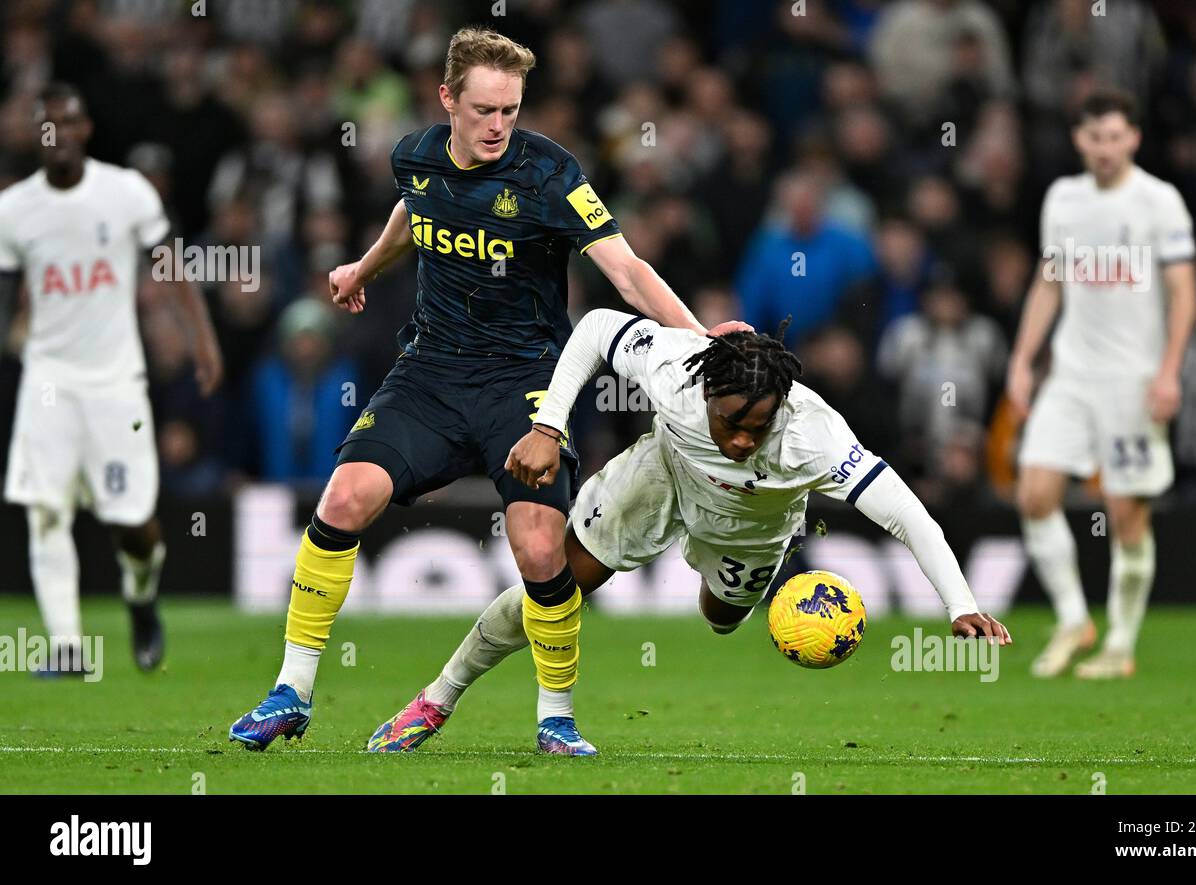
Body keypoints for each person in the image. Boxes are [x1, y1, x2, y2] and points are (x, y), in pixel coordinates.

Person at [228, 28, 745, 752]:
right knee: (342, 498)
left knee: (539, 551)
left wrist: (697, 341)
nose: (501, 124)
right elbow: (416, 212)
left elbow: (626, 269)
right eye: (485, 110)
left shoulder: (549, 173)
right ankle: (291, 690)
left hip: (528, 381)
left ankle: (556, 717)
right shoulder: (413, 155)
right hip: (432, 371)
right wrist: (364, 268)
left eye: (512, 109)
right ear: (448, 100)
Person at [366, 308, 1011, 754]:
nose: (738, 438)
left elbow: (907, 515)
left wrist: (961, 605)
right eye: (728, 422)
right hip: (662, 473)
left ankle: (732, 583)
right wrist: (548, 426)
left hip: (751, 530)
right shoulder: (678, 368)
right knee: (557, 585)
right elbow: (593, 330)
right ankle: (438, 699)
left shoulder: (816, 437)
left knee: (719, 618)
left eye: (754, 429)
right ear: (706, 391)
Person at [0, 83, 224, 675]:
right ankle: (69, 648)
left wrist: (202, 340)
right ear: (38, 134)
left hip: (116, 381)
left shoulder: (124, 193)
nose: (59, 134)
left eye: (68, 122)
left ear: (85, 129)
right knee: (45, 510)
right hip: (47, 376)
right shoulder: (14, 209)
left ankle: (142, 599)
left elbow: (171, 264)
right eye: (46, 125)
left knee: (133, 524)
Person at [1005, 89, 1196, 679]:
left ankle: (1120, 643)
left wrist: (1169, 371)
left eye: (1115, 137)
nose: (1105, 148)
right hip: (1070, 374)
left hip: (1132, 383)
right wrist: (1022, 358)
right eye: (1095, 137)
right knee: (1034, 495)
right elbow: (1050, 281)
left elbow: (1183, 291)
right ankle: (1072, 620)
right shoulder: (1063, 199)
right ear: (1078, 140)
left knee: (1124, 513)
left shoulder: (1159, 201)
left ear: (1133, 138)